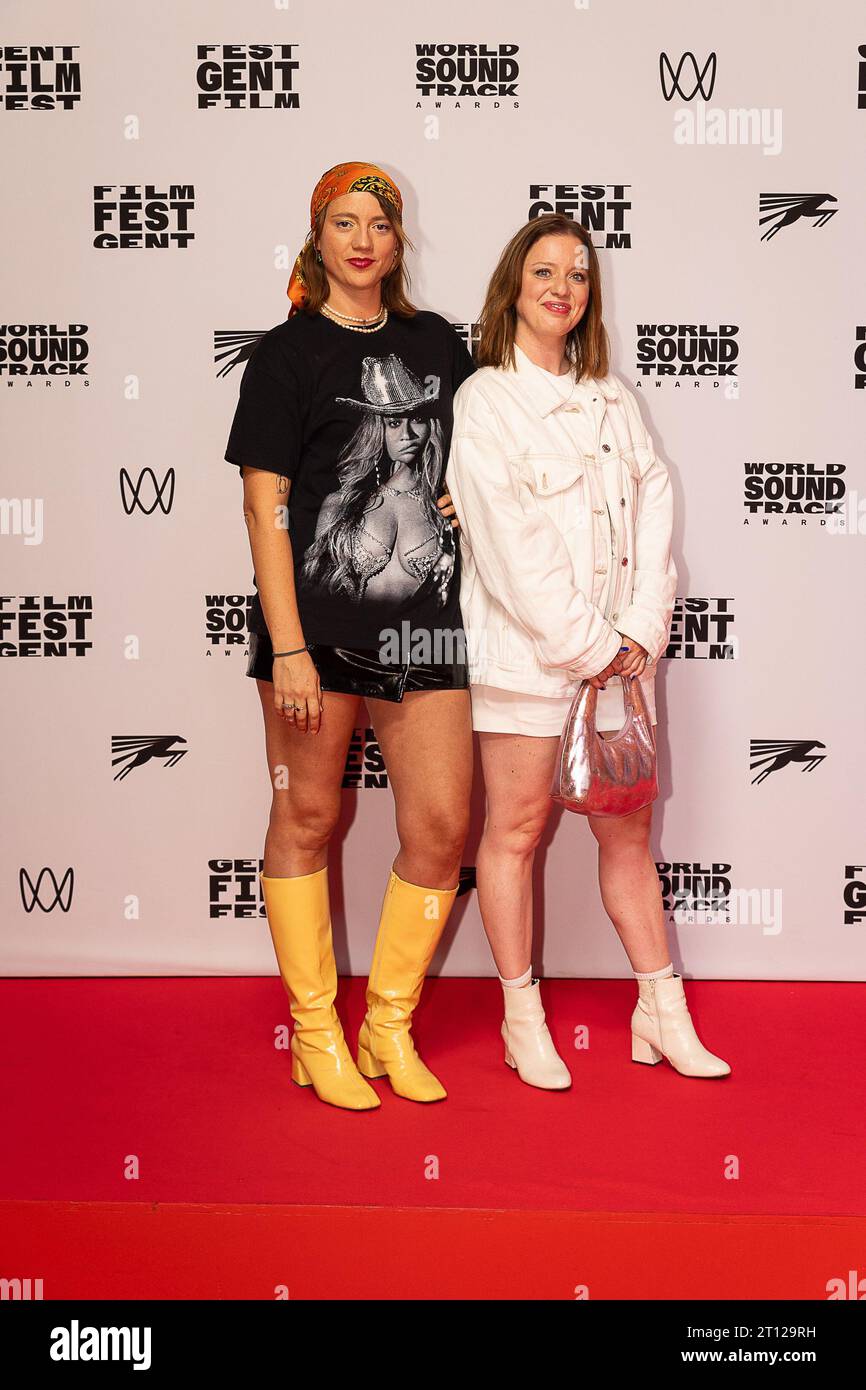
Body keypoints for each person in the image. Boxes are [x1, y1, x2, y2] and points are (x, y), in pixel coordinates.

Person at [445, 213, 730, 1090]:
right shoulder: (485, 400)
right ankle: (520, 1018)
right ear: (514, 289)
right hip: (532, 665)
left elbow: (653, 502)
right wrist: (591, 646)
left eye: (577, 274)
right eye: (544, 273)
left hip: (620, 667)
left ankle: (660, 1008)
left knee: (627, 834)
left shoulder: (615, 400)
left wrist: (639, 631)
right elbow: (510, 547)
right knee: (517, 830)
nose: (562, 288)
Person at [224, 162, 476, 1110]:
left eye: (379, 222)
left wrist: (469, 496)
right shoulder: (285, 356)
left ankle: (389, 1025)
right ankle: (317, 1032)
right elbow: (264, 505)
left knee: (442, 827)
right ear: (317, 238)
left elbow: (487, 450)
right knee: (307, 819)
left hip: (427, 628)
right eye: (344, 221)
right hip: (316, 633)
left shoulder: (439, 343)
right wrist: (287, 646)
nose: (363, 238)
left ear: (397, 240)